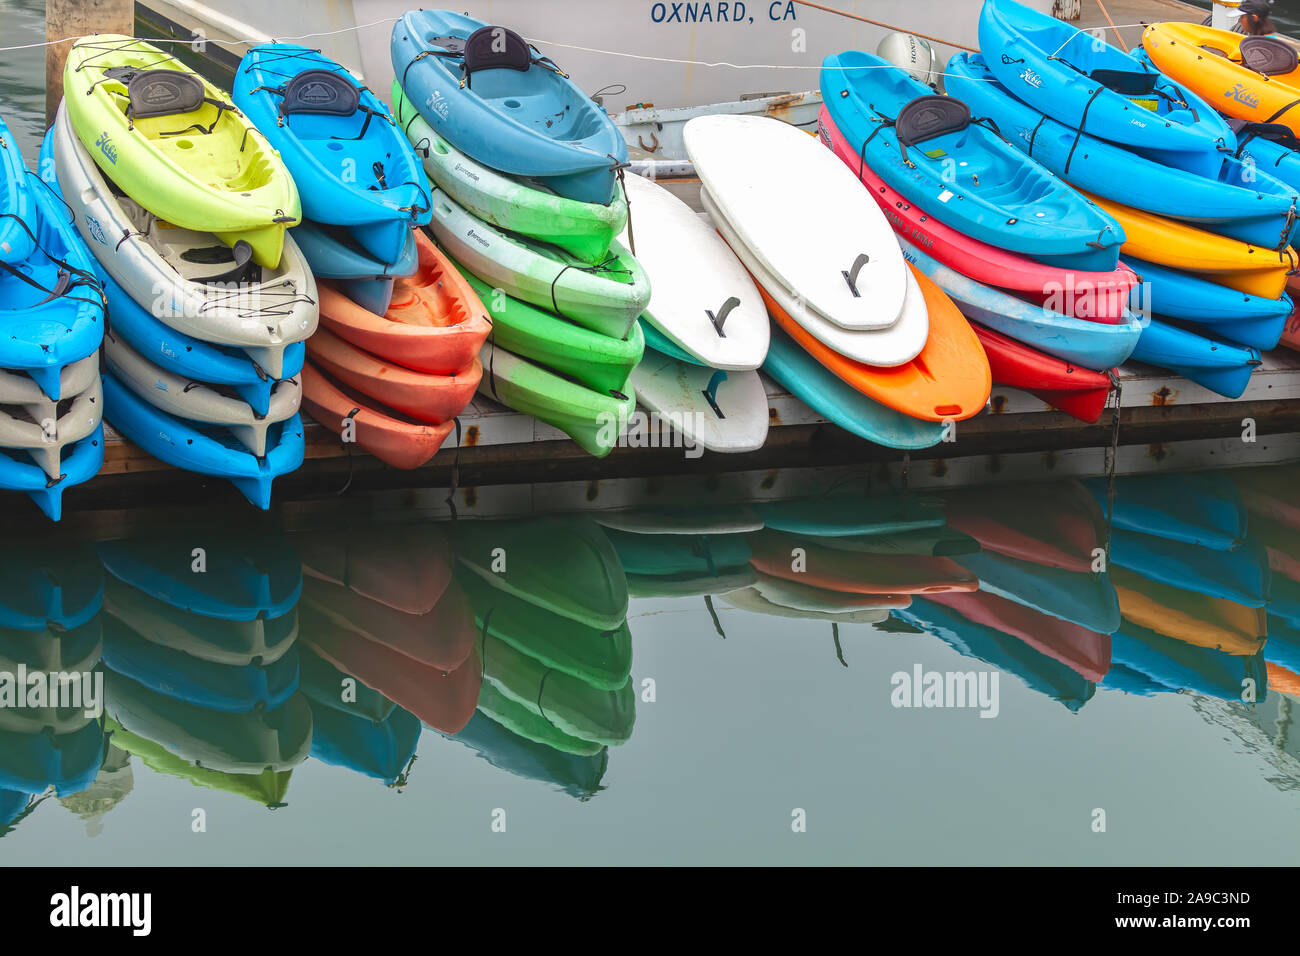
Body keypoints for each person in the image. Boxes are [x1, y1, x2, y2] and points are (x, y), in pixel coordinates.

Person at [1200, 0, 1277, 35]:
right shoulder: (1266, 38)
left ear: (1254, 18)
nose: (1240, 20)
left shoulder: (1262, 45)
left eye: (1242, 17)